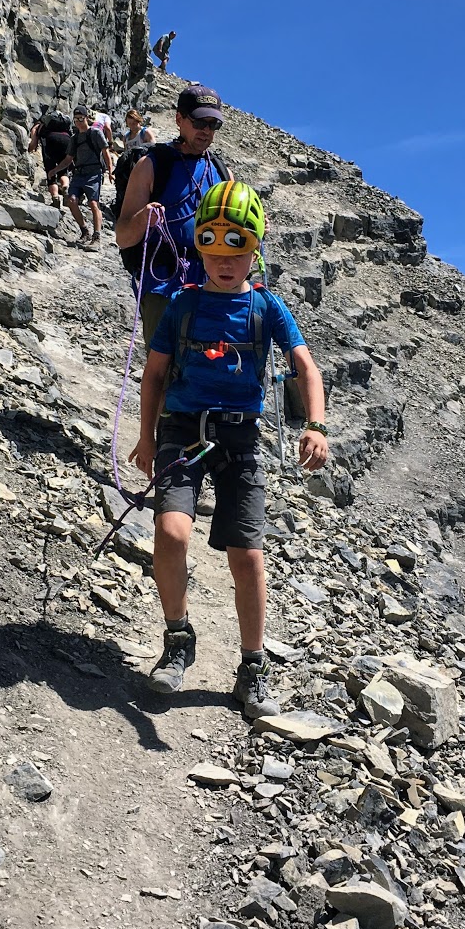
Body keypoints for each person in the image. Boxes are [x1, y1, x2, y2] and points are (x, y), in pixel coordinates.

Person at [128, 181, 330, 719]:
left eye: (234, 250)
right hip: (182, 430)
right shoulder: (181, 305)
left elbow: (305, 367)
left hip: (240, 438)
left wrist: (315, 424)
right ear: (199, 245)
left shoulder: (268, 307)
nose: (222, 261)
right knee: (171, 533)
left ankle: (253, 665)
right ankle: (178, 638)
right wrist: (146, 437)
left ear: (253, 248)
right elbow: (153, 376)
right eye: (212, 249)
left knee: (248, 556)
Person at [114, 83, 228, 343]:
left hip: (210, 284)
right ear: (179, 119)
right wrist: (144, 218)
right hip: (161, 282)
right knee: (162, 369)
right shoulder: (151, 165)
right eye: (200, 122)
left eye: (213, 125)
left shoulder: (221, 172)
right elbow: (123, 237)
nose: (206, 131)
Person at [52, 106, 113, 247]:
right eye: (76, 119)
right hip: (79, 174)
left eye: (81, 118)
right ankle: (85, 231)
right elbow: (68, 159)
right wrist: (55, 170)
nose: (78, 122)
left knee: (93, 203)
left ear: (87, 118)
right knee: (71, 201)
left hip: (94, 173)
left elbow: (105, 152)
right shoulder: (74, 139)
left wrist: (110, 171)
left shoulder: (96, 133)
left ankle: (97, 238)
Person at [30, 108, 73, 202]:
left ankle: (55, 197)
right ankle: (65, 187)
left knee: (50, 172)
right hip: (66, 140)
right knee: (63, 171)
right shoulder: (64, 124)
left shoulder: (40, 124)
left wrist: (31, 147)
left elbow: (34, 137)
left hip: (50, 140)